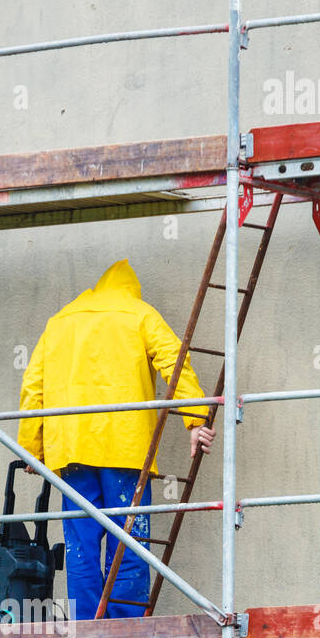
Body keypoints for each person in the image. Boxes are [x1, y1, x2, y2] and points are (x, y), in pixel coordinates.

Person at [18, 258, 214, 619]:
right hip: (125, 447)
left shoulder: (61, 320)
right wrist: (195, 419)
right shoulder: (139, 313)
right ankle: (124, 623)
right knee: (129, 540)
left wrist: (33, 449)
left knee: (81, 542)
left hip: (71, 449)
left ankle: (89, 622)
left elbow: (33, 385)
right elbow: (175, 361)